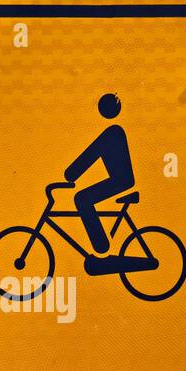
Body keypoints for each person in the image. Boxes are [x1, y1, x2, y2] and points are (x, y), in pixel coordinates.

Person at [64, 93, 135, 253]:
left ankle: (101, 248)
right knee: (83, 199)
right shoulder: (114, 131)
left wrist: (70, 175)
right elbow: (92, 154)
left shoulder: (113, 132)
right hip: (119, 179)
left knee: (82, 199)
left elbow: (91, 154)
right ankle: (102, 245)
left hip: (121, 180)